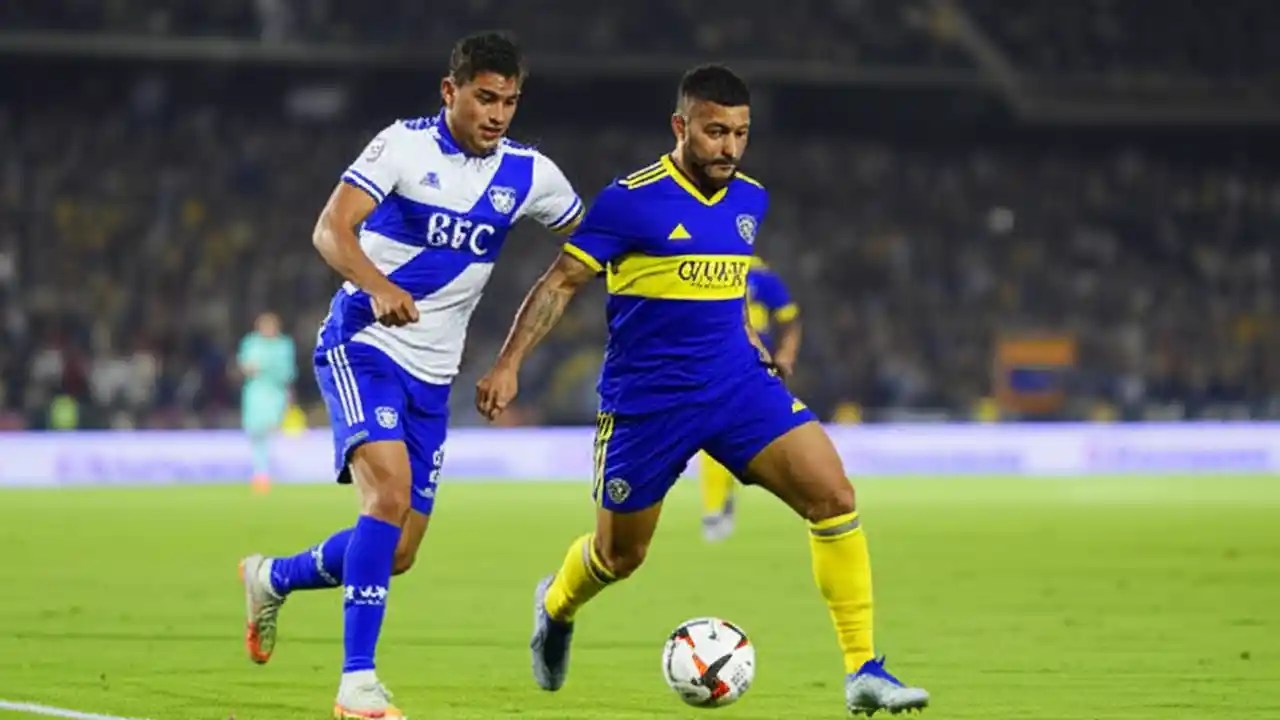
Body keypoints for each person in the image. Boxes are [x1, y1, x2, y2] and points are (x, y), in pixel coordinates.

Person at [475, 64, 928, 717]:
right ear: (680, 127)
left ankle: (863, 670)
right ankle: (555, 606)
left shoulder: (751, 200)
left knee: (833, 496)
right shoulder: (630, 200)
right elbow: (558, 284)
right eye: (715, 132)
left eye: (741, 133)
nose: (730, 148)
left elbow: (722, 286)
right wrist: (509, 363)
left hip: (738, 387)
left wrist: (750, 339)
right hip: (647, 407)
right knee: (618, 555)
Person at [237, 31, 584, 720]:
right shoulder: (403, 146)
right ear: (450, 91)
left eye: (510, 102)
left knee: (396, 552)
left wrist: (510, 360)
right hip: (362, 345)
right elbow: (331, 229)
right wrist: (375, 285)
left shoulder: (530, 174)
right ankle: (356, 684)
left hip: (434, 379)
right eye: (485, 98)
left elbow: (581, 258)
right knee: (387, 494)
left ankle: (271, 577)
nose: (497, 114)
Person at [701, 256, 801, 540]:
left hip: (758, 367)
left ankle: (729, 497)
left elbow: (789, 319)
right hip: (718, 364)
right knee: (711, 431)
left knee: (758, 435)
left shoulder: (760, 275)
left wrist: (785, 356)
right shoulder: (704, 267)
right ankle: (714, 508)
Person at [237, 311, 297, 493]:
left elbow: (288, 372)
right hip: (256, 392)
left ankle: (273, 470)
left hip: (275, 392)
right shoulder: (251, 343)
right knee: (256, 432)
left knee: (274, 430)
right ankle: (260, 473)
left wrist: (288, 394)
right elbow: (244, 366)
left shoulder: (284, 345)